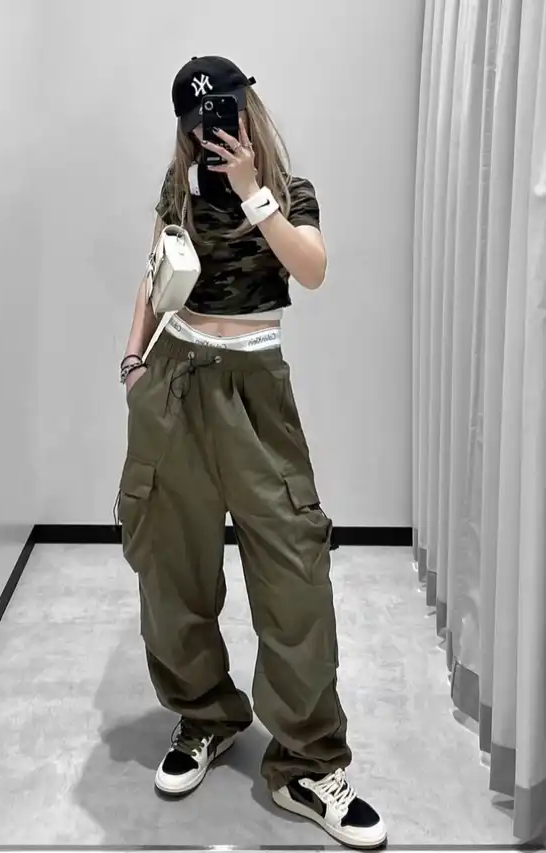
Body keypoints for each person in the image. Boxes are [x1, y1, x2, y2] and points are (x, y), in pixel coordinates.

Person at [114, 55, 387, 849]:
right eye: (198, 119)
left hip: (255, 387)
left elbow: (313, 269)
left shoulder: (289, 191)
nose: (214, 127)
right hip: (174, 379)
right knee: (170, 564)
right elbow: (153, 275)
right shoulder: (177, 191)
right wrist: (132, 360)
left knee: (294, 569)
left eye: (225, 110)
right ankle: (205, 715)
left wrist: (251, 192)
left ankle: (307, 762)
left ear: (247, 108)